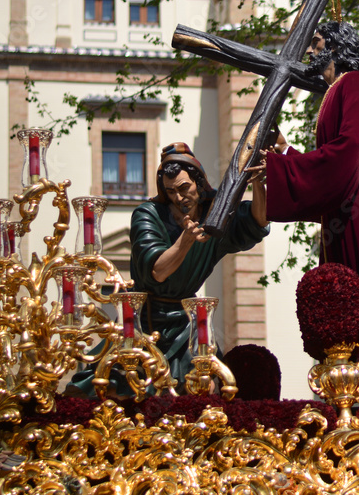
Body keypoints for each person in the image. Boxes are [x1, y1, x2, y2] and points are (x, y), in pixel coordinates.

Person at [246, 21, 359, 397]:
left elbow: (347, 153)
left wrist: (284, 166)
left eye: (316, 42)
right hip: (349, 198)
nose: (309, 51)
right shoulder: (337, 90)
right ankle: (349, 381)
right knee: (350, 290)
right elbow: (335, 158)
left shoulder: (355, 82)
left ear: (336, 47)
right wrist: (287, 154)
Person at [70, 143, 270, 393]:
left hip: (187, 323)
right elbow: (159, 271)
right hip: (145, 322)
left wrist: (258, 183)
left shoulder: (216, 211)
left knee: (204, 390)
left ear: (198, 181)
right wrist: (185, 241)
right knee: (114, 388)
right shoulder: (147, 214)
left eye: (184, 188)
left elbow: (256, 222)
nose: (178, 197)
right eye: (171, 191)